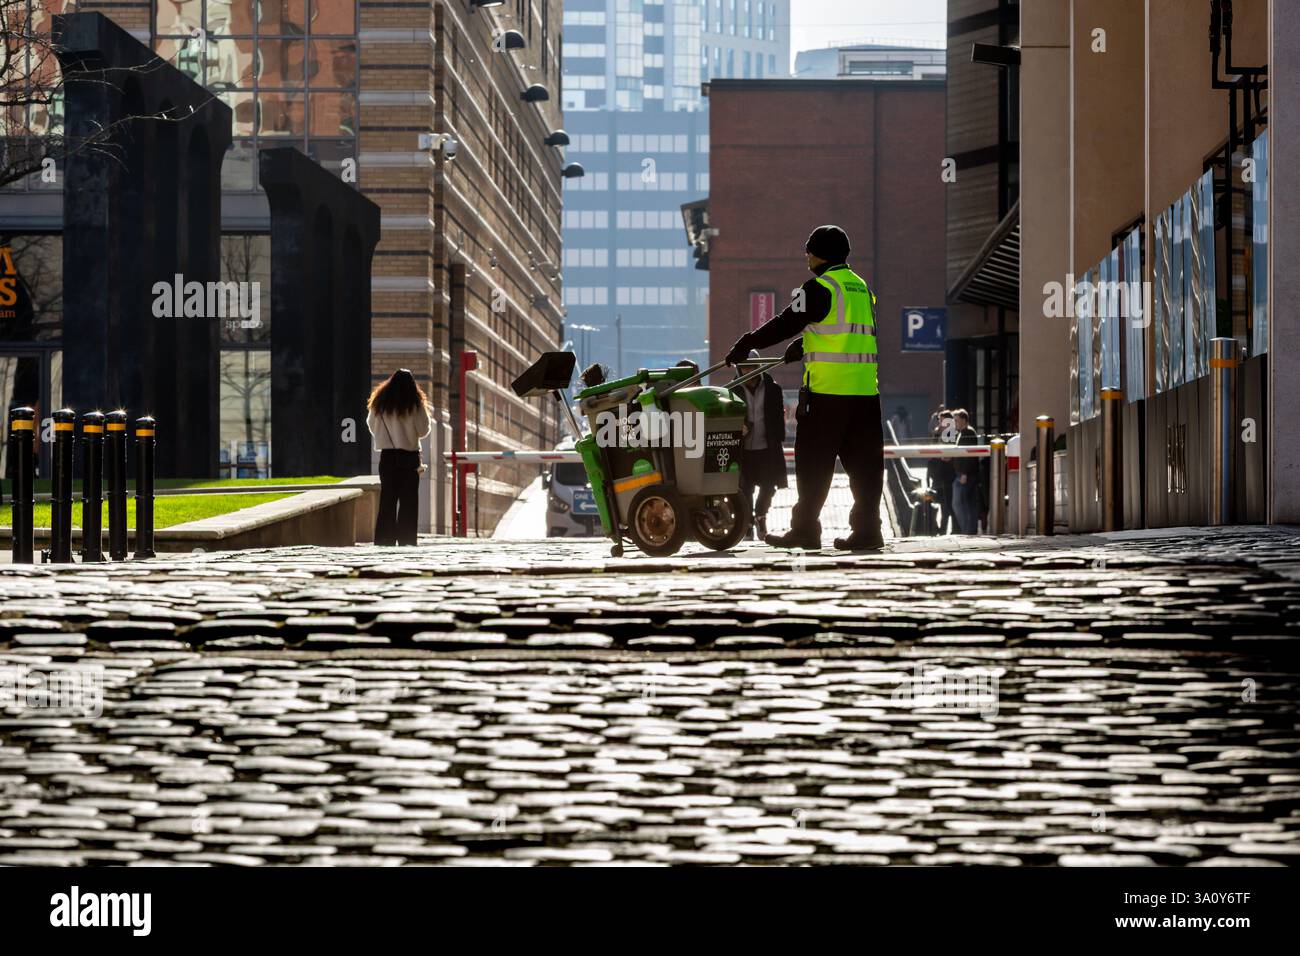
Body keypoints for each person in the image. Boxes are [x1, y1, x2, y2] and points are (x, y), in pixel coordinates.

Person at [724, 224, 884, 551]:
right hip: (866, 395)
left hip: (827, 395)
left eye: (809, 250)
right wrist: (805, 342)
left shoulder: (817, 288)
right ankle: (868, 530)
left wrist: (747, 343)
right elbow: (845, 334)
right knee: (866, 467)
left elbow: (784, 322)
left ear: (820, 253)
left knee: (813, 463)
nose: (806, 256)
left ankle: (805, 530)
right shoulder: (861, 288)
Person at [367, 368, 431, 546]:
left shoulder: (380, 403)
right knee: (408, 501)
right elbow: (424, 429)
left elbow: (371, 425)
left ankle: (384, 538)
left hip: (387, 457)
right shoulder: (415, 403)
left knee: (387, 499)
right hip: (409, 457)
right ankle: (407, 539)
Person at [730, 350, 788, 540]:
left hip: (767, 447)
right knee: (744, 488)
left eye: (750, 367)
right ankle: (747, 523)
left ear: (758, 367)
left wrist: (779, 435)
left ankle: (761, 516)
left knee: (769, 486)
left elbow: (779, 416)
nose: (746, 373)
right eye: (743, 368)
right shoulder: (733, 391)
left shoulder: (773, 389)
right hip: (742, 449)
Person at [950, 408, 980, 534]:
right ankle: (968, 529)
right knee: (964, 503)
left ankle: (967, 530)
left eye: (956, 420)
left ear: (963, 420)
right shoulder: (963, 432)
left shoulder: (968, 432)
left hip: (964, 475)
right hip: (962, 474)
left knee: (960, 503)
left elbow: (969, 454)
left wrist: (964, 473)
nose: (954, 423)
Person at [929, 409, 955, 534]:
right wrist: (937, 434)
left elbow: (947, 456)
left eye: (944, 420)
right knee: (933, 500)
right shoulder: (938, 432)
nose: (941, 423)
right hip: (937, 474)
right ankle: (936, 528)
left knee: (946, 505)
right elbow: (932, 450)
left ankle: (943, 529)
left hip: (946, 475)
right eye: (940, 420)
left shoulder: (950, 432)